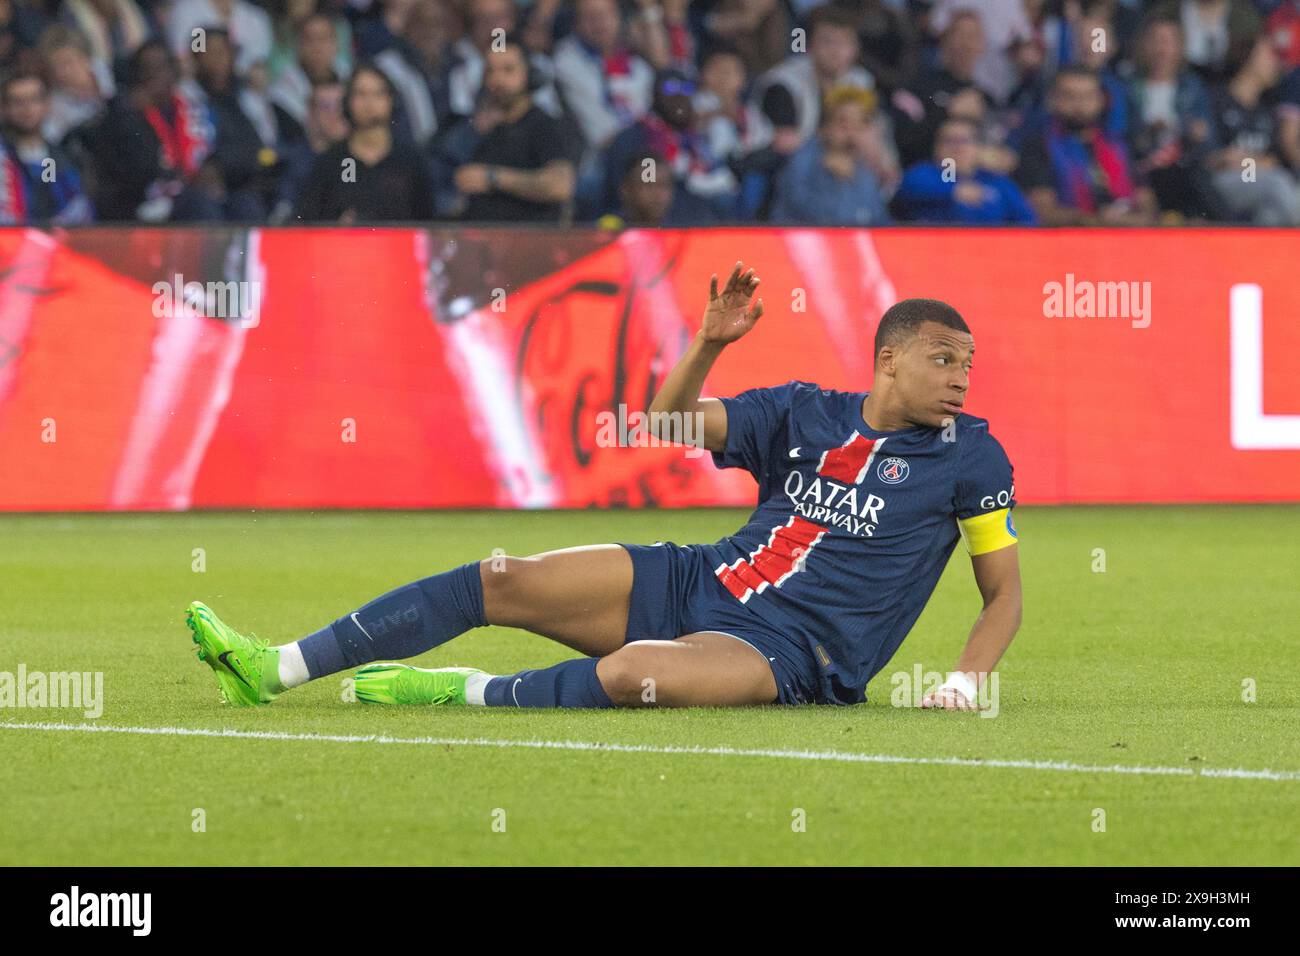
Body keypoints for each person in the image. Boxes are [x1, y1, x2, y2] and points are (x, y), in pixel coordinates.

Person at [186, 262, 1022, 712]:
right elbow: (666, 424)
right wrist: (707, 346)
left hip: (791, 654)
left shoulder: (973, 460)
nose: (960, 379)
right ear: (888, 358)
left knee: (632, 675)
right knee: (503, 577)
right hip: (702, 579)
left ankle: (464, 692)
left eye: (969, 365)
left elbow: (1002, 597)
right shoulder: (802, 410)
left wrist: (962, 682)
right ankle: (275, 668)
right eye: (942, 358)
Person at [448, 37, 576, 222]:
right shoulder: (473, 128)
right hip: (480, 242)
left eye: (508, 70)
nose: (498, 79)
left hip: (530, 242)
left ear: (529, 73)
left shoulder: (543, 125)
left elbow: (560, 185)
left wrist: (493, 178)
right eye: (491, 71)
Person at [1014, 65, 1157, 225]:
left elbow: (1147, 204)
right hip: (1067, 242)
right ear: (1053, 99)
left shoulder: (1122, 144)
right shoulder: (1038, 146)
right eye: (1069, 96)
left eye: (1087, 96)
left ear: (1101, 100)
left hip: (1130, 238)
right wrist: (1096, 221)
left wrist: (1130, 220)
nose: (1079, 104)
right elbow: (1041, 211)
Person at [292, 62, 434, 221]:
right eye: (361, 94)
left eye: (378, 94)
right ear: (347, 101)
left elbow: (429, 223)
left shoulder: (410, 160)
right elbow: (308, 220)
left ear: (391, 100)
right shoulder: (331, 162)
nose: (369, 103)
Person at [769, 86, 892, 225]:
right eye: (843, 124)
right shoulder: (801, 163)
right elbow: (823, 223)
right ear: (824, 127)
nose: (851, 134)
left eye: (859, 125)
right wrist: (840, 184)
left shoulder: (864, 170)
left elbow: (882, 224)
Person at [893, 116, 1035, 223]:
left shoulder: (996, 181)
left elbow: (1028, 221)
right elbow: (908, 188)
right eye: (949, 141)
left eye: (964, 141)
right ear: (936, 147)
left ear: (978, 148)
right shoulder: (926, 173)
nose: (956, 148)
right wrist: (953, 191)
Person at [0, 72, 93, 223]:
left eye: (34, 100)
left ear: (47, 104)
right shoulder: (3, 157)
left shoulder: (64, 157)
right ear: (4, 108)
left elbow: (80, 209)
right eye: (18, 102)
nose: (27, 109)